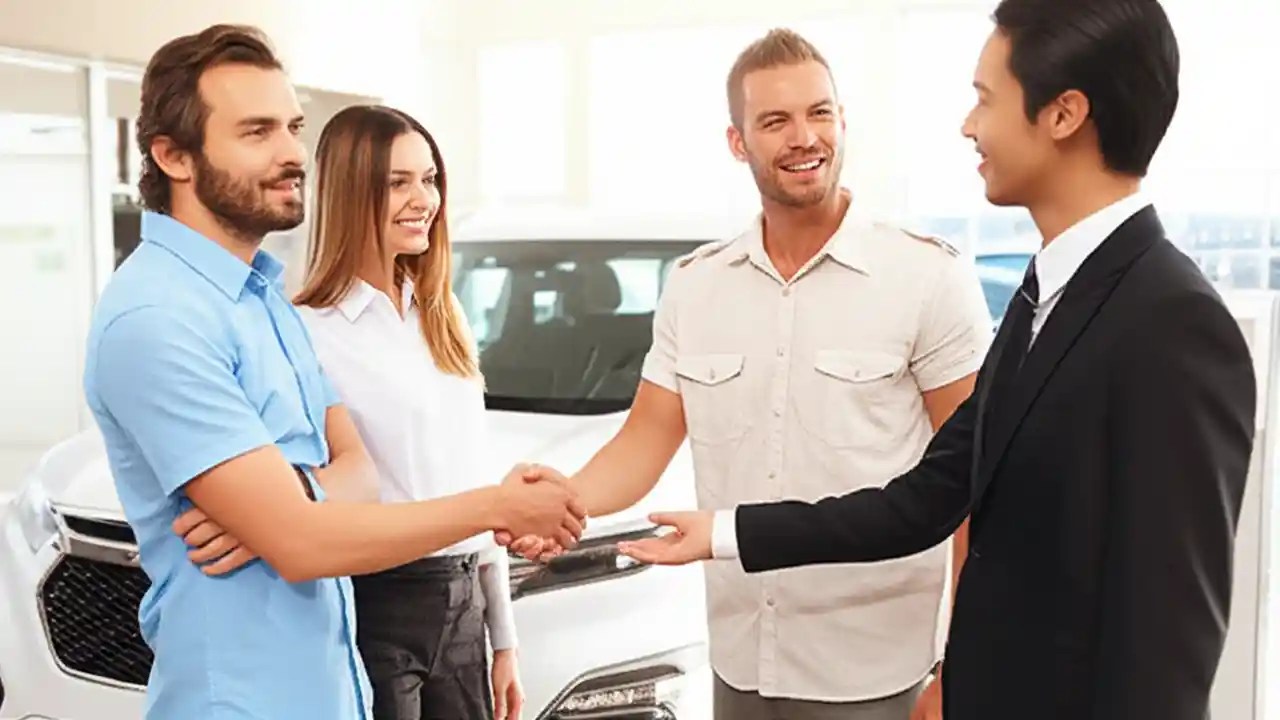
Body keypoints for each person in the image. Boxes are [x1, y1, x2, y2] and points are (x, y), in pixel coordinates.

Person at [617, 2, 1258, 720]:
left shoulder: (1172, 319)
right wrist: (722, 533)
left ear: (1064, 113)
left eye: (985, 99)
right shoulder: (1043, 298)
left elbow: (1169, 646)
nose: (968, 124)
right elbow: (923, 501)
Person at [82, 25, 583, 720]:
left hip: (330, 683)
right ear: (173, 156)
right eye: (257, 132)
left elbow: (359, 473)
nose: (293, 154)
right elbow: (300, 543)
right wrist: (493, 506)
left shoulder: (260, 301)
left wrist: (287, 501)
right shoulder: (156, 319)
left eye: (292, 127)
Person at [506, 28, 993, 720]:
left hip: (876, 672)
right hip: (739, 661)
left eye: (819, 113)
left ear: (843, 122)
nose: (804, 137)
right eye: (775, 121)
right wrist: (559, 502)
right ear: (738, 142)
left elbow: (976, 486)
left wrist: (960, 665)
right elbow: (643, 443)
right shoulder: (697, 286)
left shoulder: (927, 277)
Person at [287, 104, 524, 720]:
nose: (425, 199)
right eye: (399, 182)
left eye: (431, 179)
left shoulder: (443, 316)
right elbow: (301, 497)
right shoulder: (306, 333)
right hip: (374, 607)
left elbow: (477, 477)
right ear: (350, 190)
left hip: (465, 604)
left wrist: (504, 639)